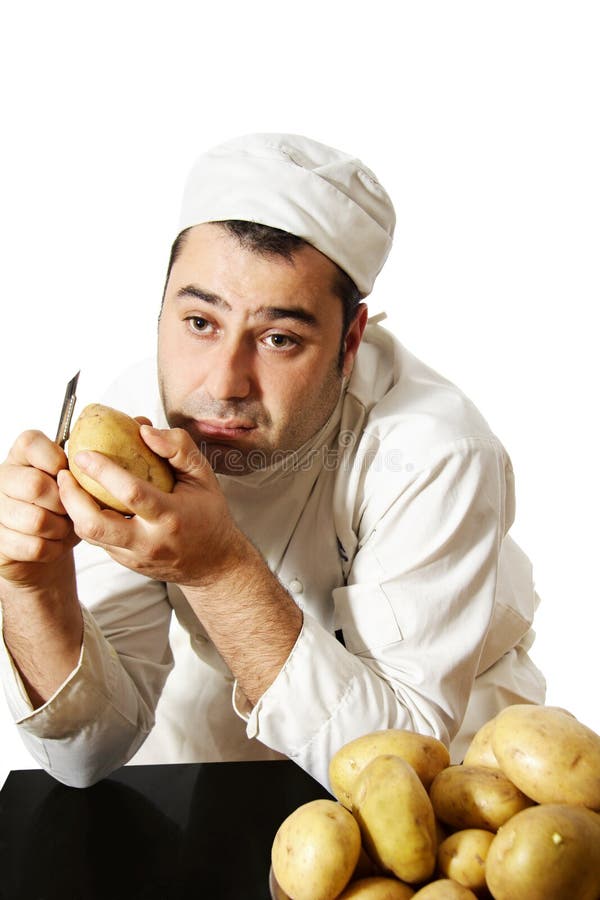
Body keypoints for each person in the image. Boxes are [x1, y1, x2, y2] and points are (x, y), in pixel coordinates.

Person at [0, 133, 545, 789]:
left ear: (349, 344)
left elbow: (394, 770)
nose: (225, 382)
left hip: (454, 759)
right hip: (215, 741)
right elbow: (87, 754)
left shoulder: (432, 452)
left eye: (278, 338)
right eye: (200, 322)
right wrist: (31, 586)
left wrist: (217, 568)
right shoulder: (132, 420)